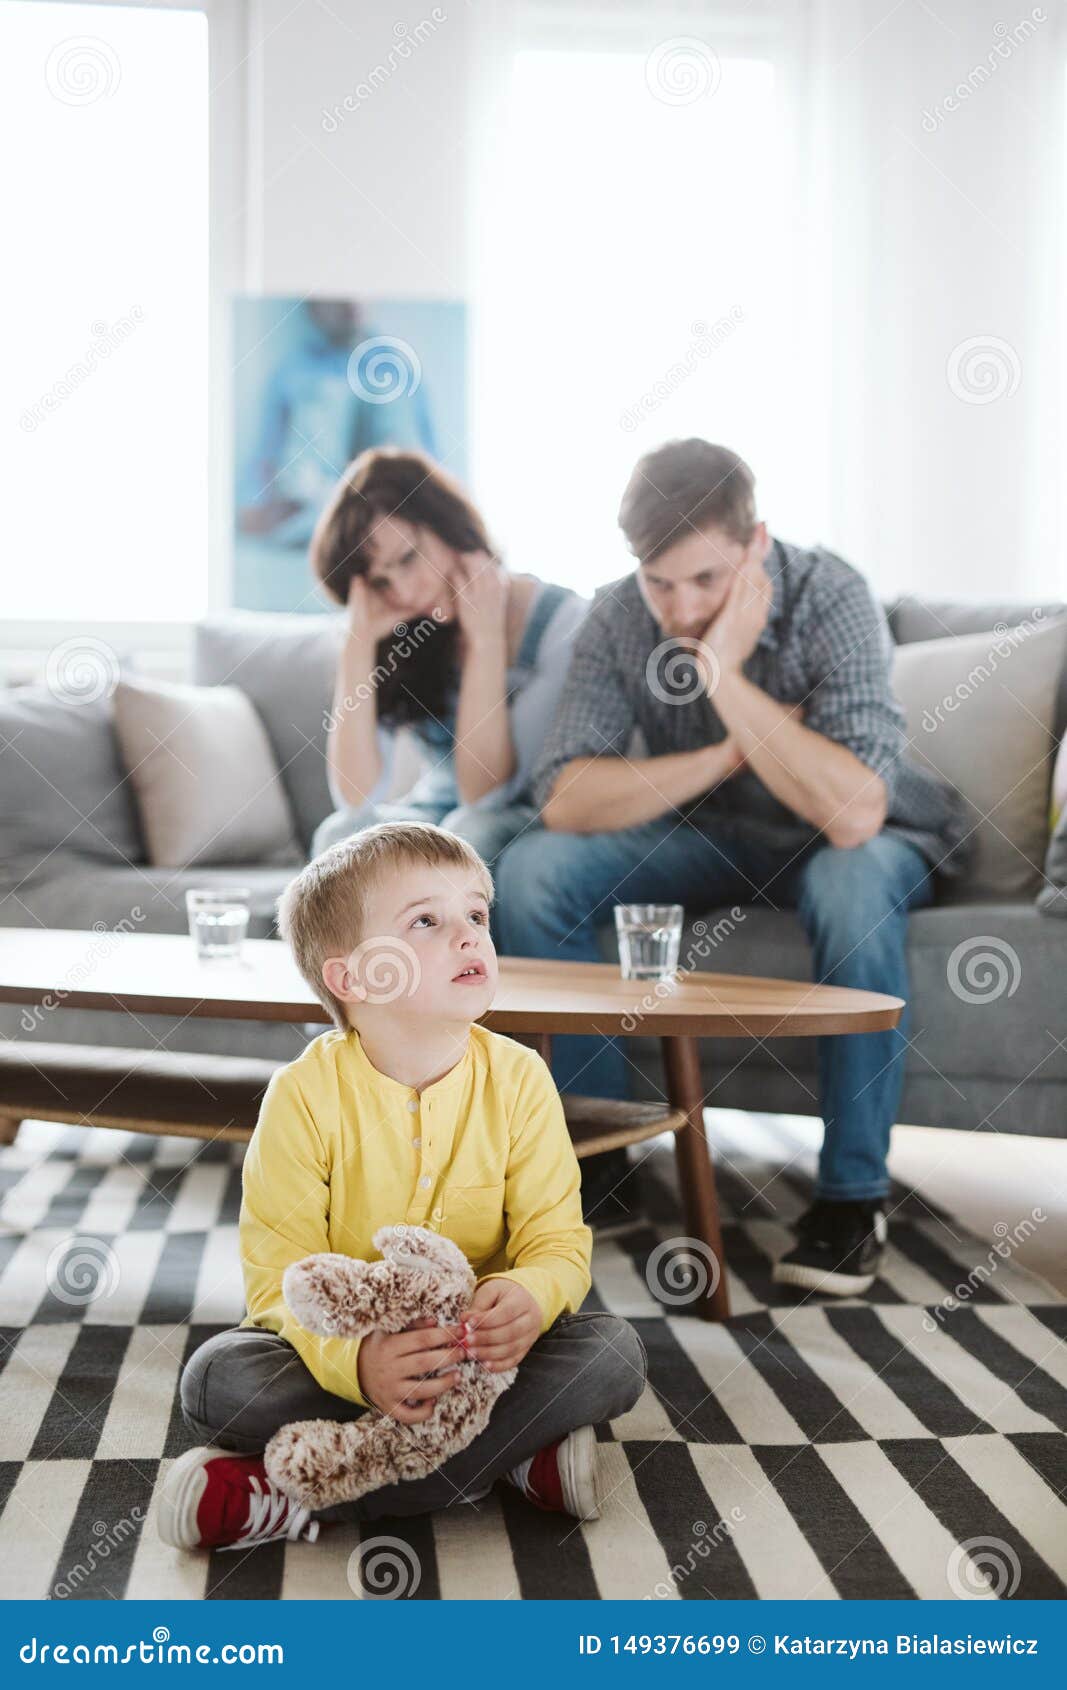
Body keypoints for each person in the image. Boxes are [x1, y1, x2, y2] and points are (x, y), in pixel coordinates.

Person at [494, 438, 972, 1296]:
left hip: (855, 841)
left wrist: (720, 675)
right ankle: (601, 1158)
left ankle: (849, 1199)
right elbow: (566, 795)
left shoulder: (831, 594)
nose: (677, 609)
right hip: (712, 834)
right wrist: (729, 754)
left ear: (754, 545)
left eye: (704, 582)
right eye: (658, 582)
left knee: (848, 878)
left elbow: (854, 810)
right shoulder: (617, 614)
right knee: (532, 872)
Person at [159, 823, 646, 1553]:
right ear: (352, 979)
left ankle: (291, 1497)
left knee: (613, 1352)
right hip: (346, 1351)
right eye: (428, 920)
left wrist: (531, 1295)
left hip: (480, 1356)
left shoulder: (520, 1079)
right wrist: (356, 1367)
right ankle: (507, 1461)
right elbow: (279, 1278)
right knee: (217, 1381)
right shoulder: (300, 1095)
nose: (468, 936)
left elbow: (555, 1238)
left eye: (476, 915)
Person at [308, 448, 589, 876]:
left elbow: (486, 796)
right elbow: (355, 796)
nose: (404, 591)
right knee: (339, 838)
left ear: (448, 525)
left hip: (526, 816)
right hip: (438, 812)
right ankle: (374, 949)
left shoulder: (562, 622)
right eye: (382, 579)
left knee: (468, 833)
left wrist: (485, 640)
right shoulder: (410, 633)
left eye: (407, 558)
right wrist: (359, 643)